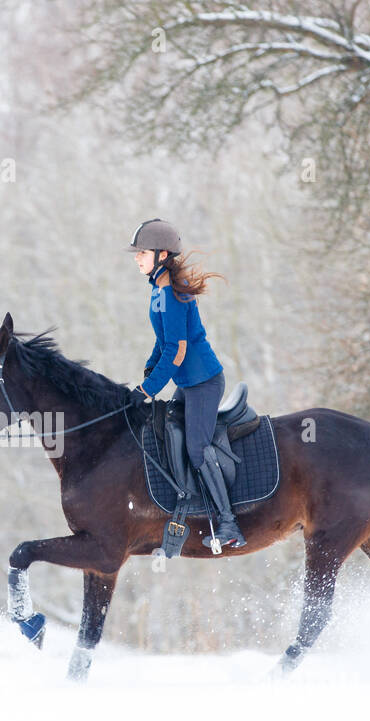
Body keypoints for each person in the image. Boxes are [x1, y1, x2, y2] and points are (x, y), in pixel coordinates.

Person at [125, 218, 246, 549]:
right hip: (187, 382)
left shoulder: (172, 294)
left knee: (196, 447)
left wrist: (148, 390)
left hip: (203, 383)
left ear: (162, 255)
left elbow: (177, 351)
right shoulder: (158, 291)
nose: (137, 258)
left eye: (142, 253)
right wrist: (151, 367)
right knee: (168, 431)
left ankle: (229, 524)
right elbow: (164, 339)